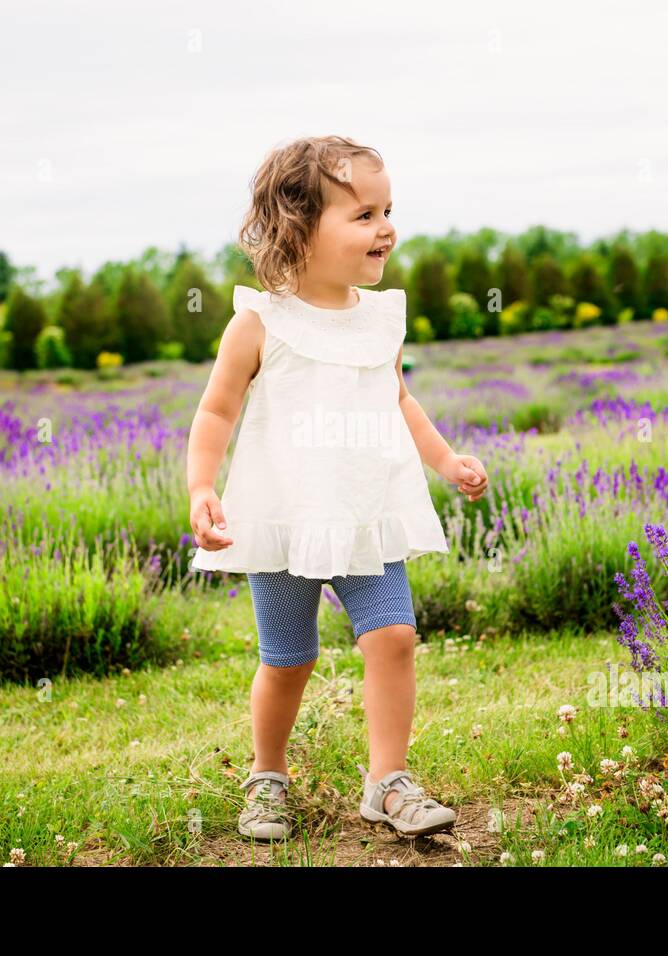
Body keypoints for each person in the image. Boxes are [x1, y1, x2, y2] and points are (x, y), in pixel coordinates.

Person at [185, 135, 489, 841]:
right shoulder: (259, 321)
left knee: (395, 637)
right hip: (285, 519)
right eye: (363, 215)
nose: (385, 228)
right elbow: (217, 409)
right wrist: (202, 486)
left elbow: (398, 399)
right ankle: (268, 776)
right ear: (297, 227)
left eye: (388, 211)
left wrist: (445, 461)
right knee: (287, 661)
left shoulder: (380, 319)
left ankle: (388, 782)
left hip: (366, 512)